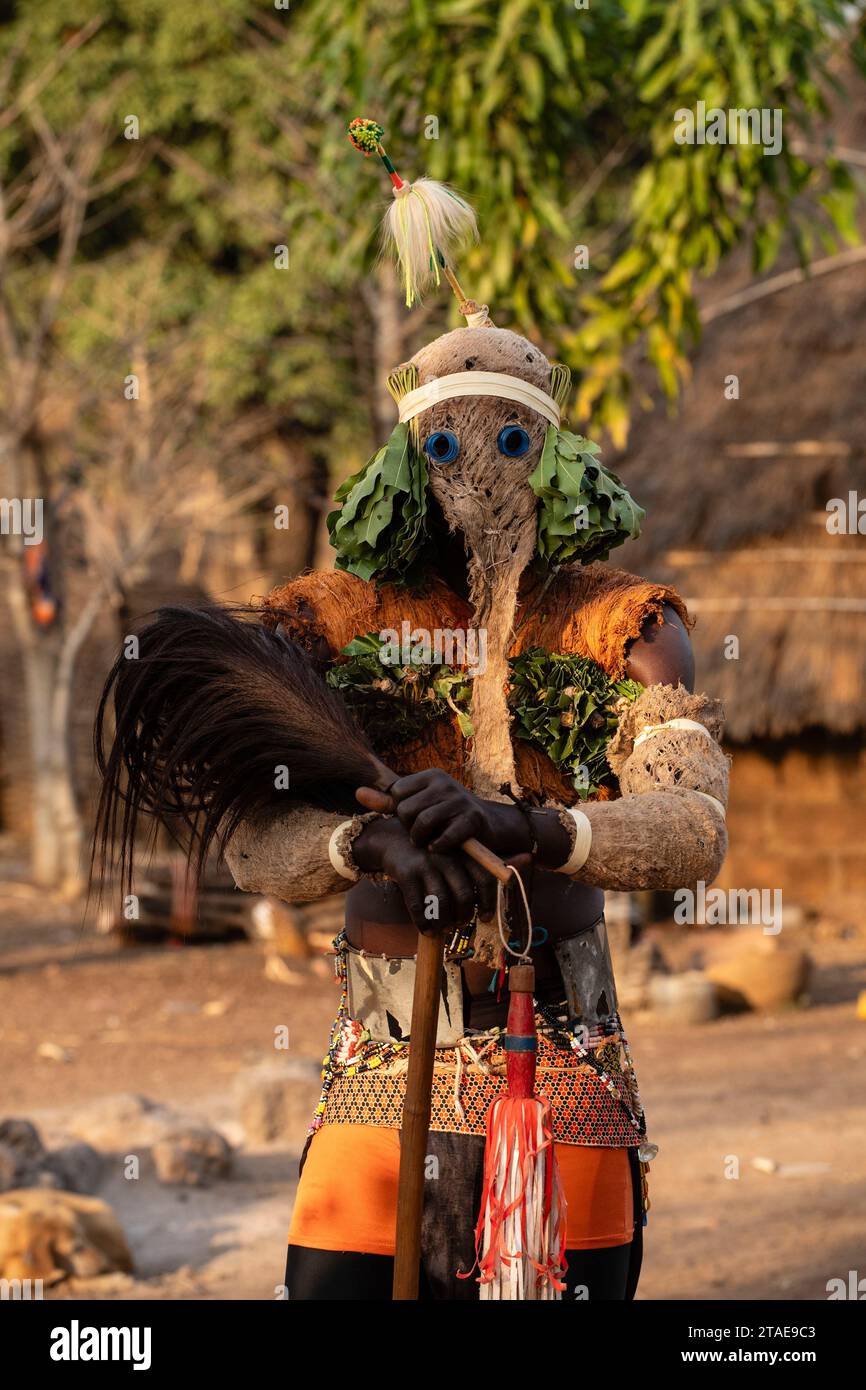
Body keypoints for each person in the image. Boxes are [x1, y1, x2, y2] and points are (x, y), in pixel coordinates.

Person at [225, 312, 730, 1301]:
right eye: (444, 448)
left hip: (555, 1052)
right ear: (406, 466)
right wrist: (357, 843)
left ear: (549, 460)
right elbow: (252, 847)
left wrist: (538, 829)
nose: (479, 481)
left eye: (507, 444)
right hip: (381, 1055)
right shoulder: (321, 623)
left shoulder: (625, 625)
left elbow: (693, 828)